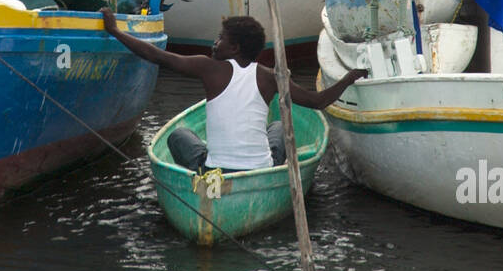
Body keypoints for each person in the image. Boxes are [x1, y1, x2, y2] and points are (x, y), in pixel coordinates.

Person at [101, 9, 366, 173]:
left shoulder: (209, 68)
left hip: (216, 170)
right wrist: (349, 78)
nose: (214, 45)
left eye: (220, 39)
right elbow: (318, 101)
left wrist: (115, 30)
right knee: (277, 128)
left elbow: (157, 56)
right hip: (260, 170)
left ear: (236, 47)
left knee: (179, 135)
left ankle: (206, 167)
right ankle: (266, 167)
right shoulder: (270, 76)